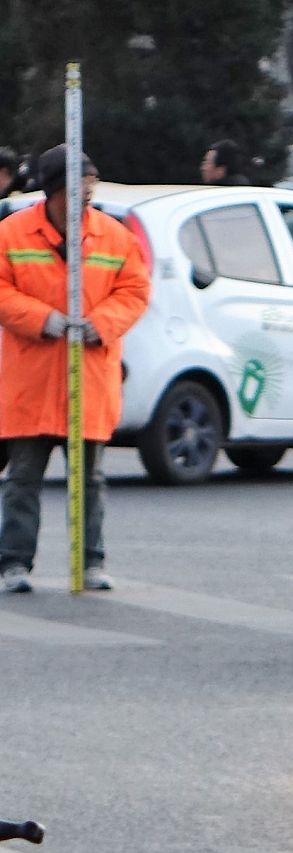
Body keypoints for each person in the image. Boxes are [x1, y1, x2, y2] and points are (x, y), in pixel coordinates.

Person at [0, 144, 151, 593]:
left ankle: (91, 562)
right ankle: (13, 563)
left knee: (90, 479)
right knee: (23, 478)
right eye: (77, 191)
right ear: (51, 192)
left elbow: (135, 292)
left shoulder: (114, 236)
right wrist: (41, 319)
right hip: (32, 377)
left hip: (89, 377)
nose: (86, 199)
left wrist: (100, 324)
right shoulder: (11, 234)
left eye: (90, 190)